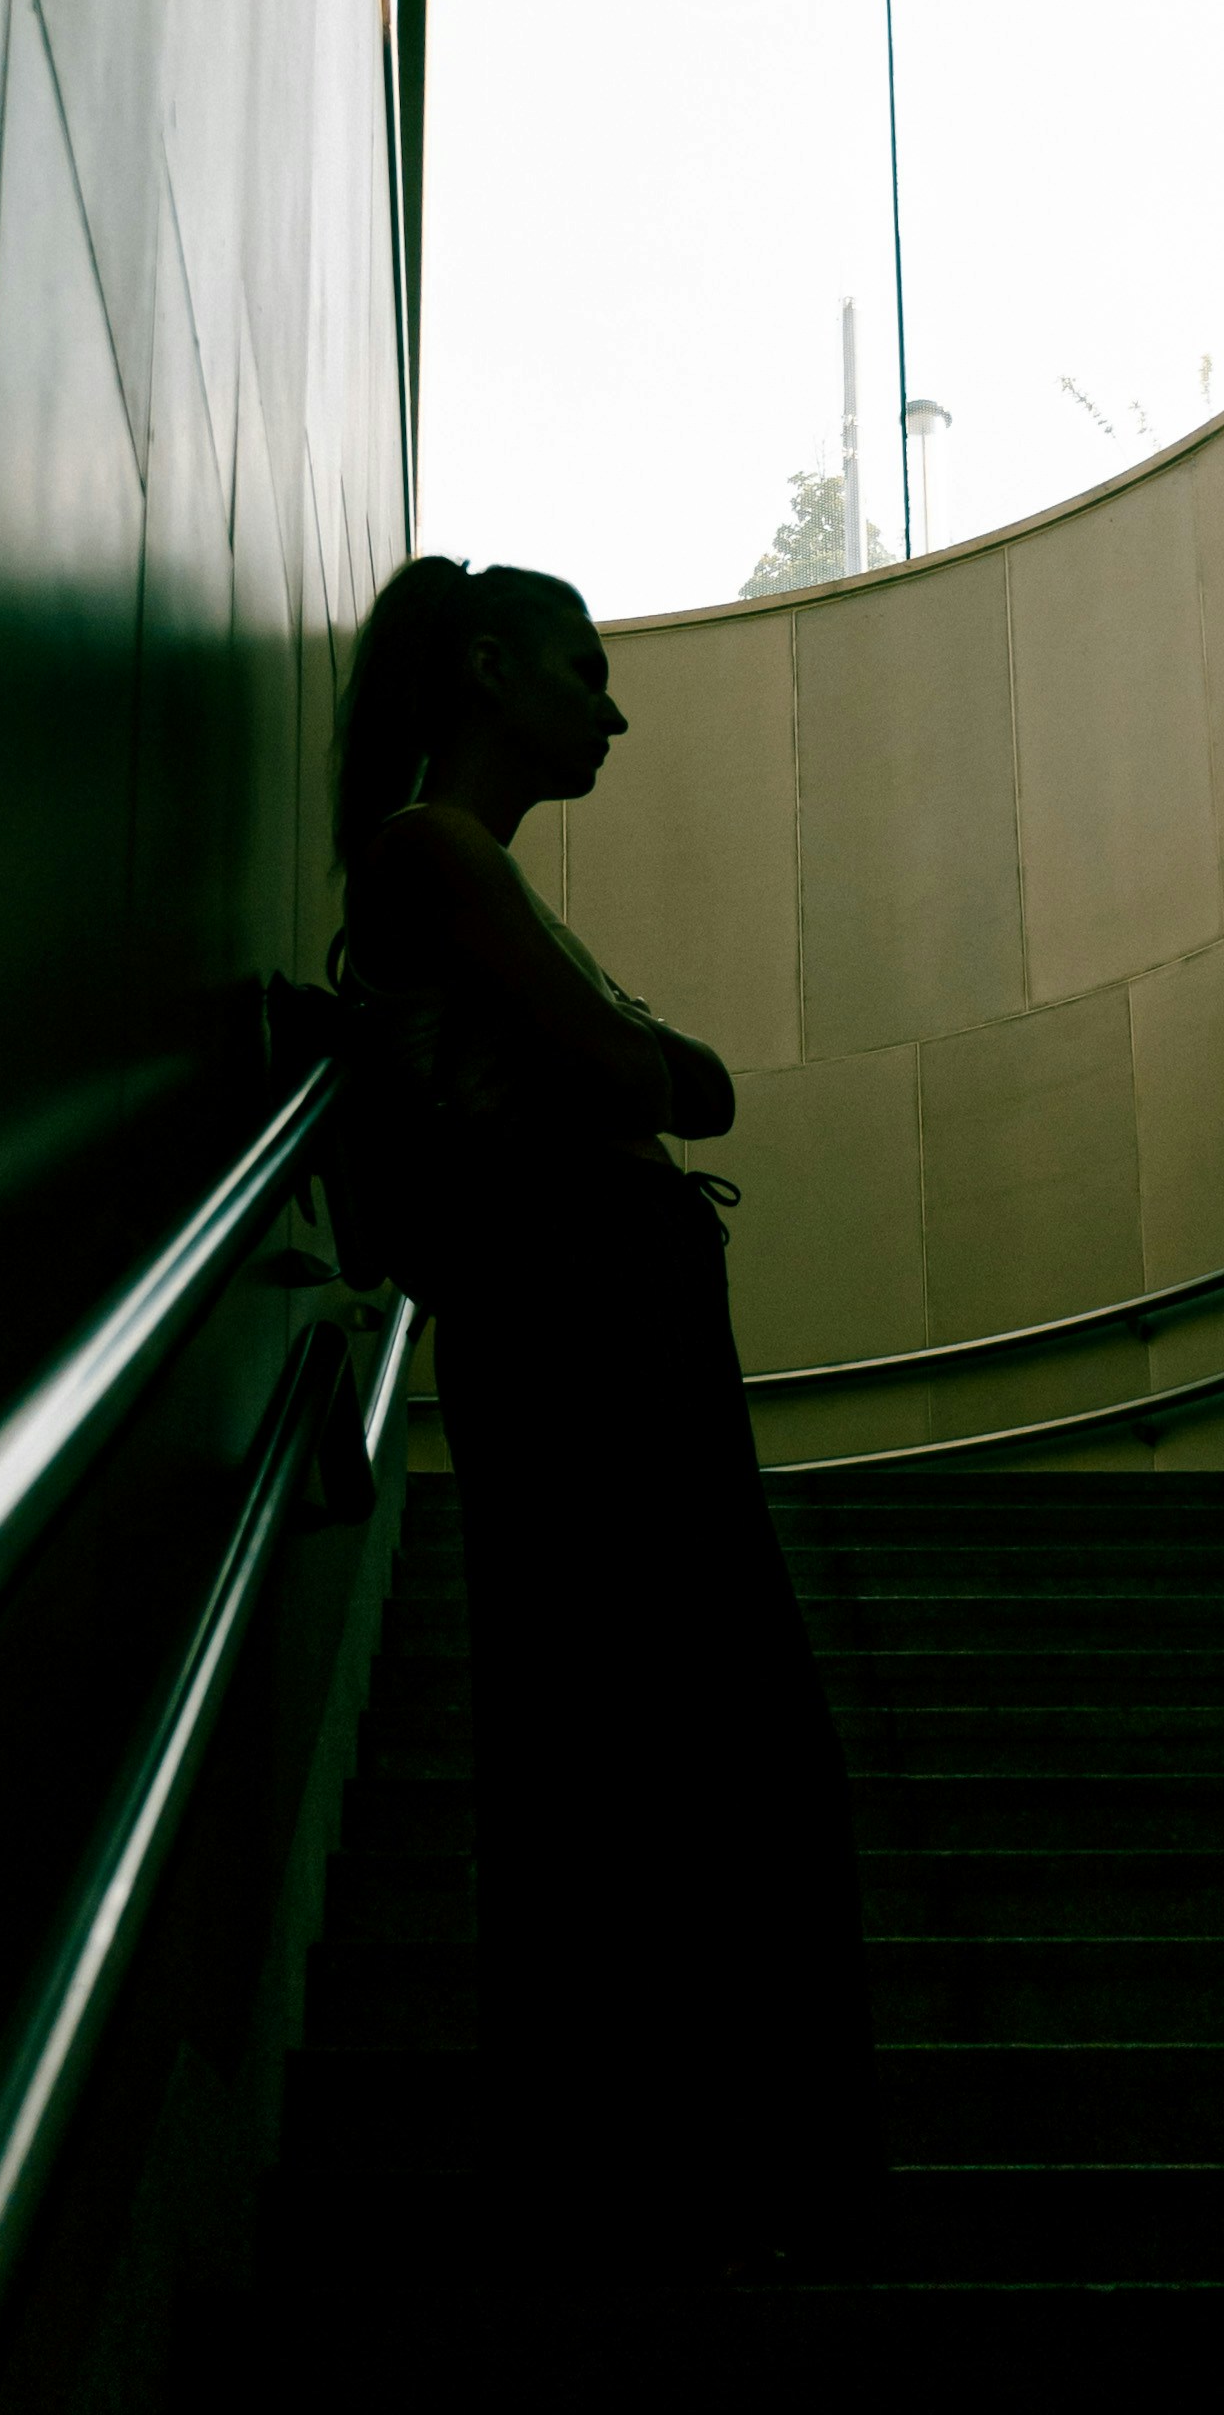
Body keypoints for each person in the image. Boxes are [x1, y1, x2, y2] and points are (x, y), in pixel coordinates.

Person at [329, 556, 879, 2281]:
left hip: (584, 1330)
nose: (615, 705)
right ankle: (671, 2166)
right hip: (586, 1333)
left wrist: (647, 1061)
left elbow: (650, 1072)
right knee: (661, 1717)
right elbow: (648, 1076)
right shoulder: (435, 855)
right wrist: (645, 1057)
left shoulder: (452, 869)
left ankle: (645, 2154)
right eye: (584, 667)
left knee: (633, 1722)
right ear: (491, 668)